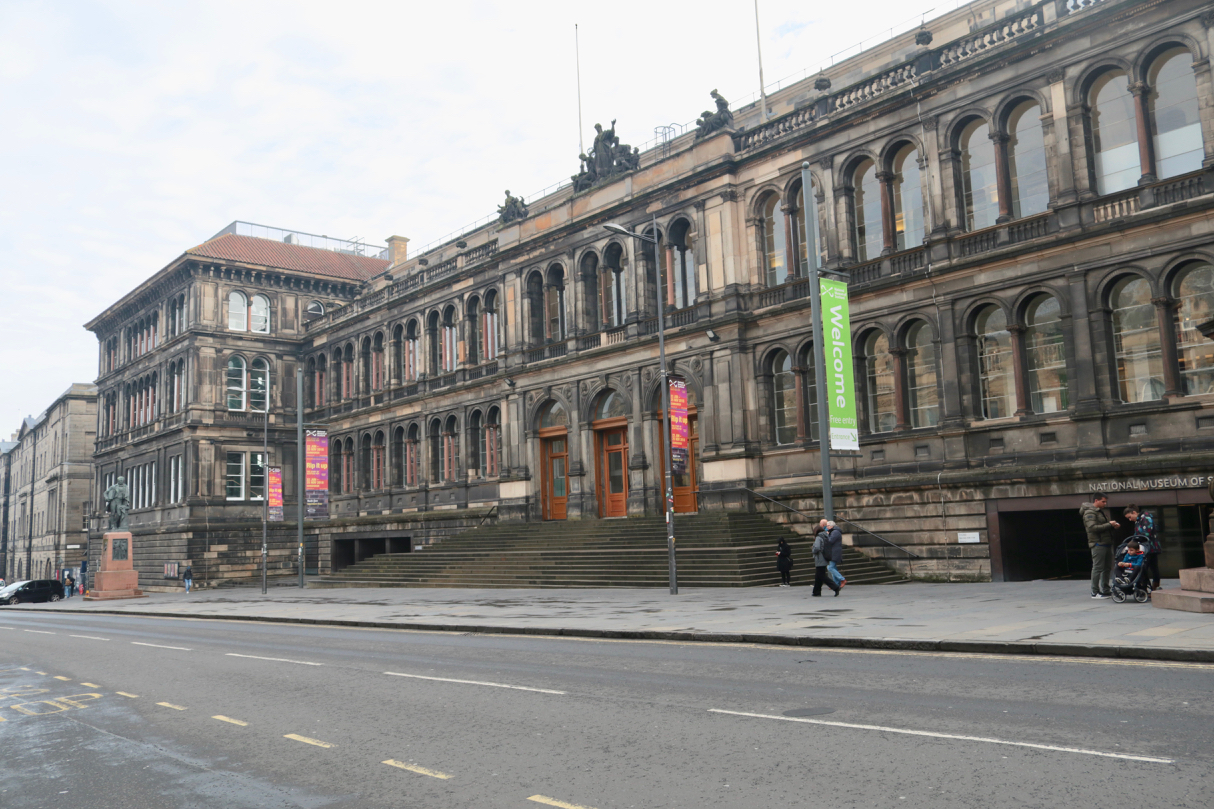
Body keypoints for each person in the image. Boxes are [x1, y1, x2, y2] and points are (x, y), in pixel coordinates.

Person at [1081, 494, 1119, 599]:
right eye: (1103, 501)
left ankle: (1105, 590)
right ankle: (1095, 592)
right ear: (1096, 500)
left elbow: (1103, 527)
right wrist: (1109, 524)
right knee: (1097, 568)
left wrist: (1113, 526)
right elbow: (1092, 528)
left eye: (1105, 502)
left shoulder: (1099, 511)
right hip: (1098, 543)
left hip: (1106, 542)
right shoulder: (1090, 512)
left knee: (1107, 568)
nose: (1105, 504)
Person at [1123, 505, 1161, 590]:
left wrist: (1135, 540)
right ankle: (1147, 586)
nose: (1130, 519)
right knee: (1150, 567)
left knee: (1149, 567)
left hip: (1150, 547)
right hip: (1146, 547)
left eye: (1130, 517)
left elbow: (1146, 533)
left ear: (1134, 512)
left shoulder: (1146, 518)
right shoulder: (1139, 520)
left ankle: (1148, 586)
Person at [811, 524, 840, 597]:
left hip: (819, 558)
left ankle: (835, 587)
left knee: (821, 575)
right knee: (818, 576)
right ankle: (816, 591)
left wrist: (813, 549)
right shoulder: (825, 536)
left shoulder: (818, 537)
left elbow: (817, 547)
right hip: (825, 557)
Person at [824, 520, 847, 591]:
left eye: (828, 526)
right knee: (833, 567)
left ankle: (842, 579)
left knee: (830, 567)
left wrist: (827, 535)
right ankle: (836, 584)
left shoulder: (835, 532)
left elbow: (830, 541)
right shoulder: (834, 532)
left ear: (832, 526)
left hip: (834, 552)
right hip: (833, 552)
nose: (827, 527)